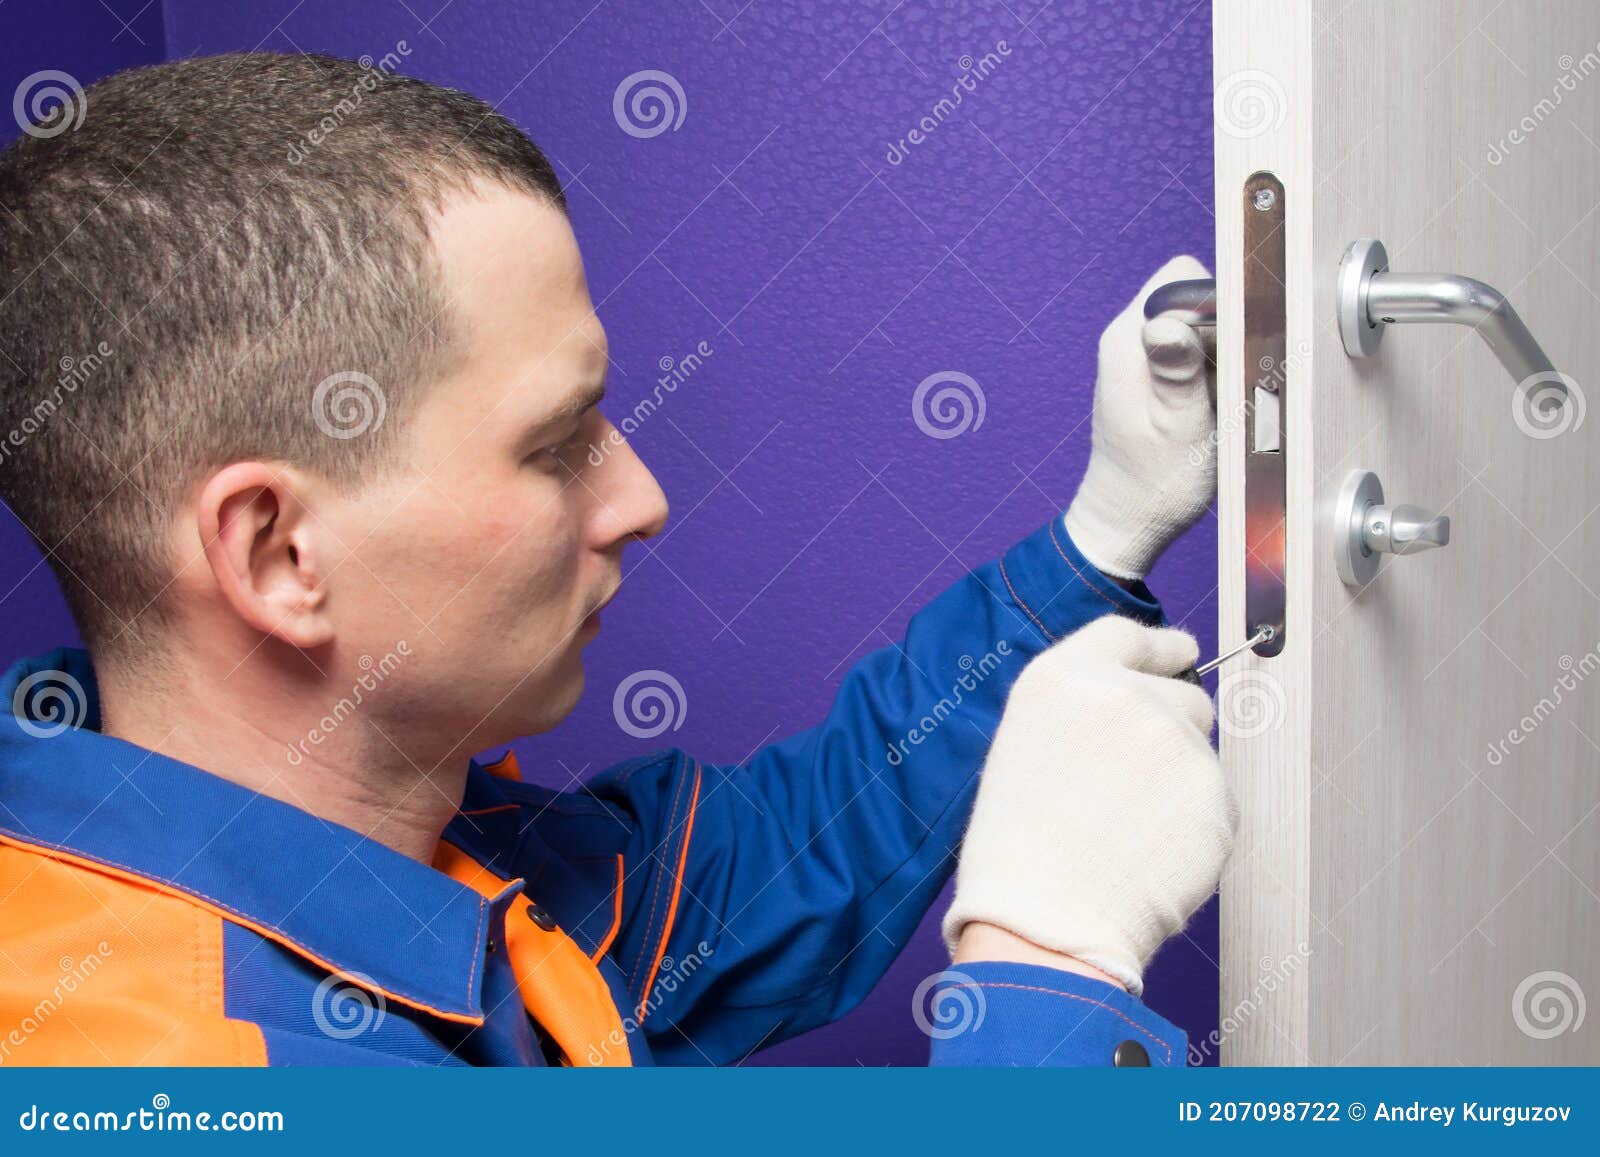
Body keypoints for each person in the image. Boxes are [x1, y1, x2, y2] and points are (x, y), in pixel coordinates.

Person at [0, 52, 1231, 1067]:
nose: (640, 498)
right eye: (555, 444)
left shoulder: (427, 837)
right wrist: (1050, 983)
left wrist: (1101, 533)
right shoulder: (166, 1064)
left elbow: (782, 864)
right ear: (279, 553)